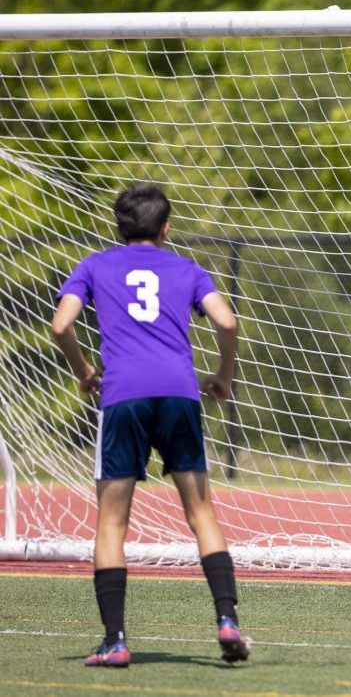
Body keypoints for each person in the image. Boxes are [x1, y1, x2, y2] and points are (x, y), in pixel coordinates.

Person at [51, 183, 249, 666]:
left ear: (118, 227)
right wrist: (223, 376)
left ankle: (115, 641)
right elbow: (226, 322)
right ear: (166, 228)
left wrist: (83, 371)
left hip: (124, 396)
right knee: (201, 512)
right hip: (180, 393)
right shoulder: (187, 268)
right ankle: (227, 620)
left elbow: (61, 325)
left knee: (111, 521)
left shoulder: (94, 265)